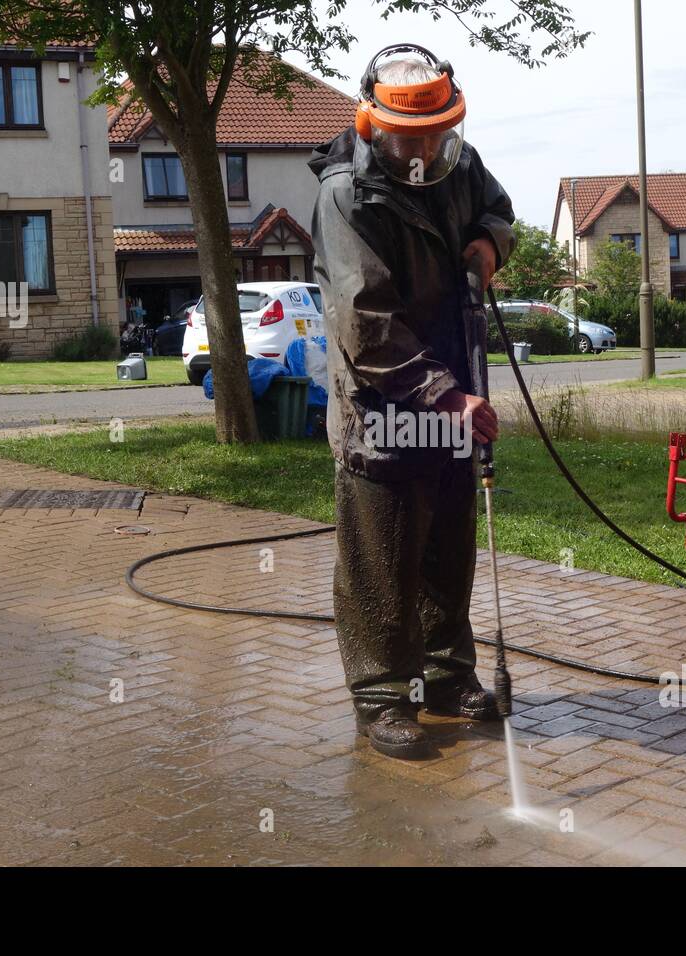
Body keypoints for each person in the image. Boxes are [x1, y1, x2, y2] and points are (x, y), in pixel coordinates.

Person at [308, 44, 516, 759]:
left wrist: (490, 241)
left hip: (456, 380)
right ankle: (382, 697)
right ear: (371, 121)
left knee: (447, 543)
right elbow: (365, 321)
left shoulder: (462, 166)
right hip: (384, 399)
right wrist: (443, 396)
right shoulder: (346, 195)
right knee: (382, 553)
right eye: (410, 136)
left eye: (437, 132)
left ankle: (448, 677)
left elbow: (497, 208)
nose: (425, 148)